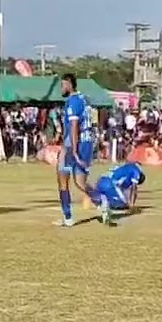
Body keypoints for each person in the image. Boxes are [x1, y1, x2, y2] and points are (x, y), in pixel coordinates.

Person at [55, 73, 103, 228]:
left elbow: (74, 126)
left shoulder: (73, 102)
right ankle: (102, 202)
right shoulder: (84, 99)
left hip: (74, 143)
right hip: (87, 141)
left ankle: (68, 217)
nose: (61, 88)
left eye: (62, 85)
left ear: (69, 84)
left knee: (63, 179)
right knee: (80, 181)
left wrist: (73, 150)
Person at [94, 162, 146, 226]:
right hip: (109, 185)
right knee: (121, 205)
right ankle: (106, 212)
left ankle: (100, 203)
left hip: (101, 181)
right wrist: (131, 205)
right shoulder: (136, 172)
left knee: (109, 198)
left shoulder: (128, 167)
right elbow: (134, 189)